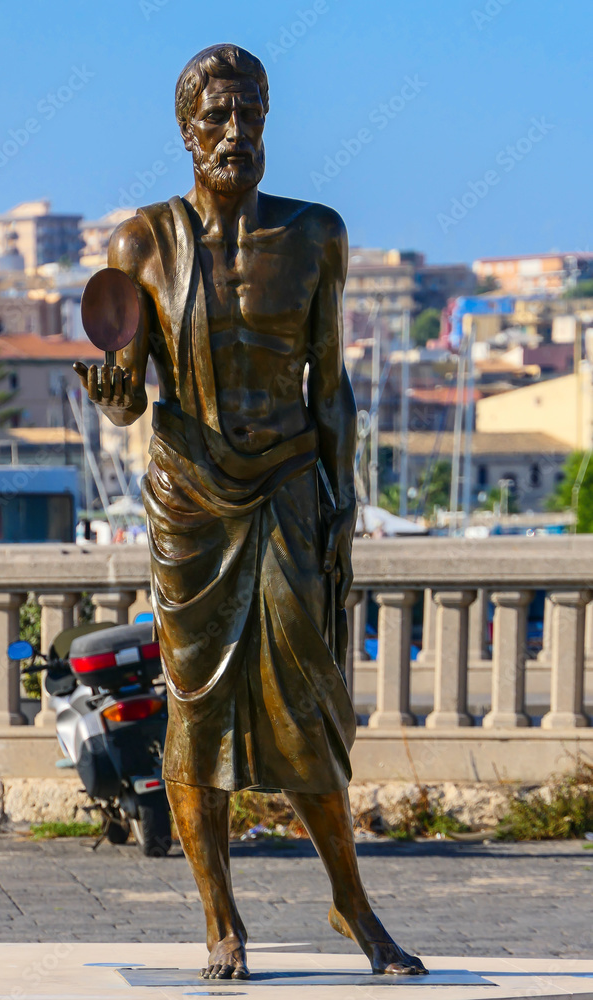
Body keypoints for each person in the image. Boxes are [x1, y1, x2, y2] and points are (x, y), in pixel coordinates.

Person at [75, 43, 426, 980]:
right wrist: (108, 389)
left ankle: (352, 904)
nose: (236, 135)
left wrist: (344, 507)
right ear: (186, 131)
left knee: (305, 713)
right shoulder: (141, 242)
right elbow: (129, 396)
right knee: (193, 716)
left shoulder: (316, 235)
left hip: (288, 492)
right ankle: (220, 921)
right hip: (191, 506)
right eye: (217, 118)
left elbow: (332, 387)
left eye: (250, 116)